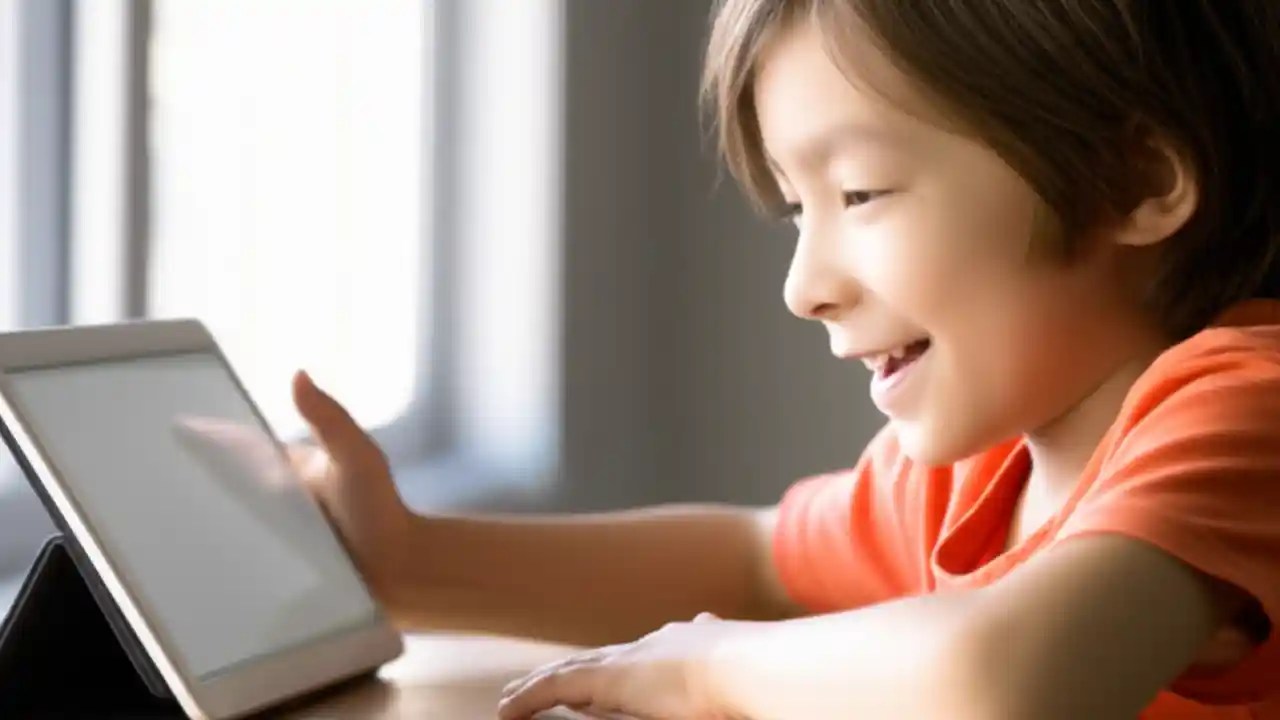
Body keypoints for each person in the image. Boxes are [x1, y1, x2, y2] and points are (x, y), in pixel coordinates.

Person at [288, 1, 1280, 717]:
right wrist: (407, 562)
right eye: (795, 211)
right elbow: (759, 561)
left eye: (859, 194)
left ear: (1134, 179)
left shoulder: (1244, 409)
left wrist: (708, 669)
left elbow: (1002, 681)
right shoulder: (976, 469)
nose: (803, 286)